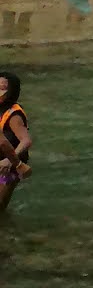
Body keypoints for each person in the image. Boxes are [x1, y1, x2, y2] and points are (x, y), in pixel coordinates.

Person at [0, 73, 30, 214]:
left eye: (3, 88)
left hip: (10, 164)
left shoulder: (14, 115)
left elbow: (26, 141)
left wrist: (10, 161)